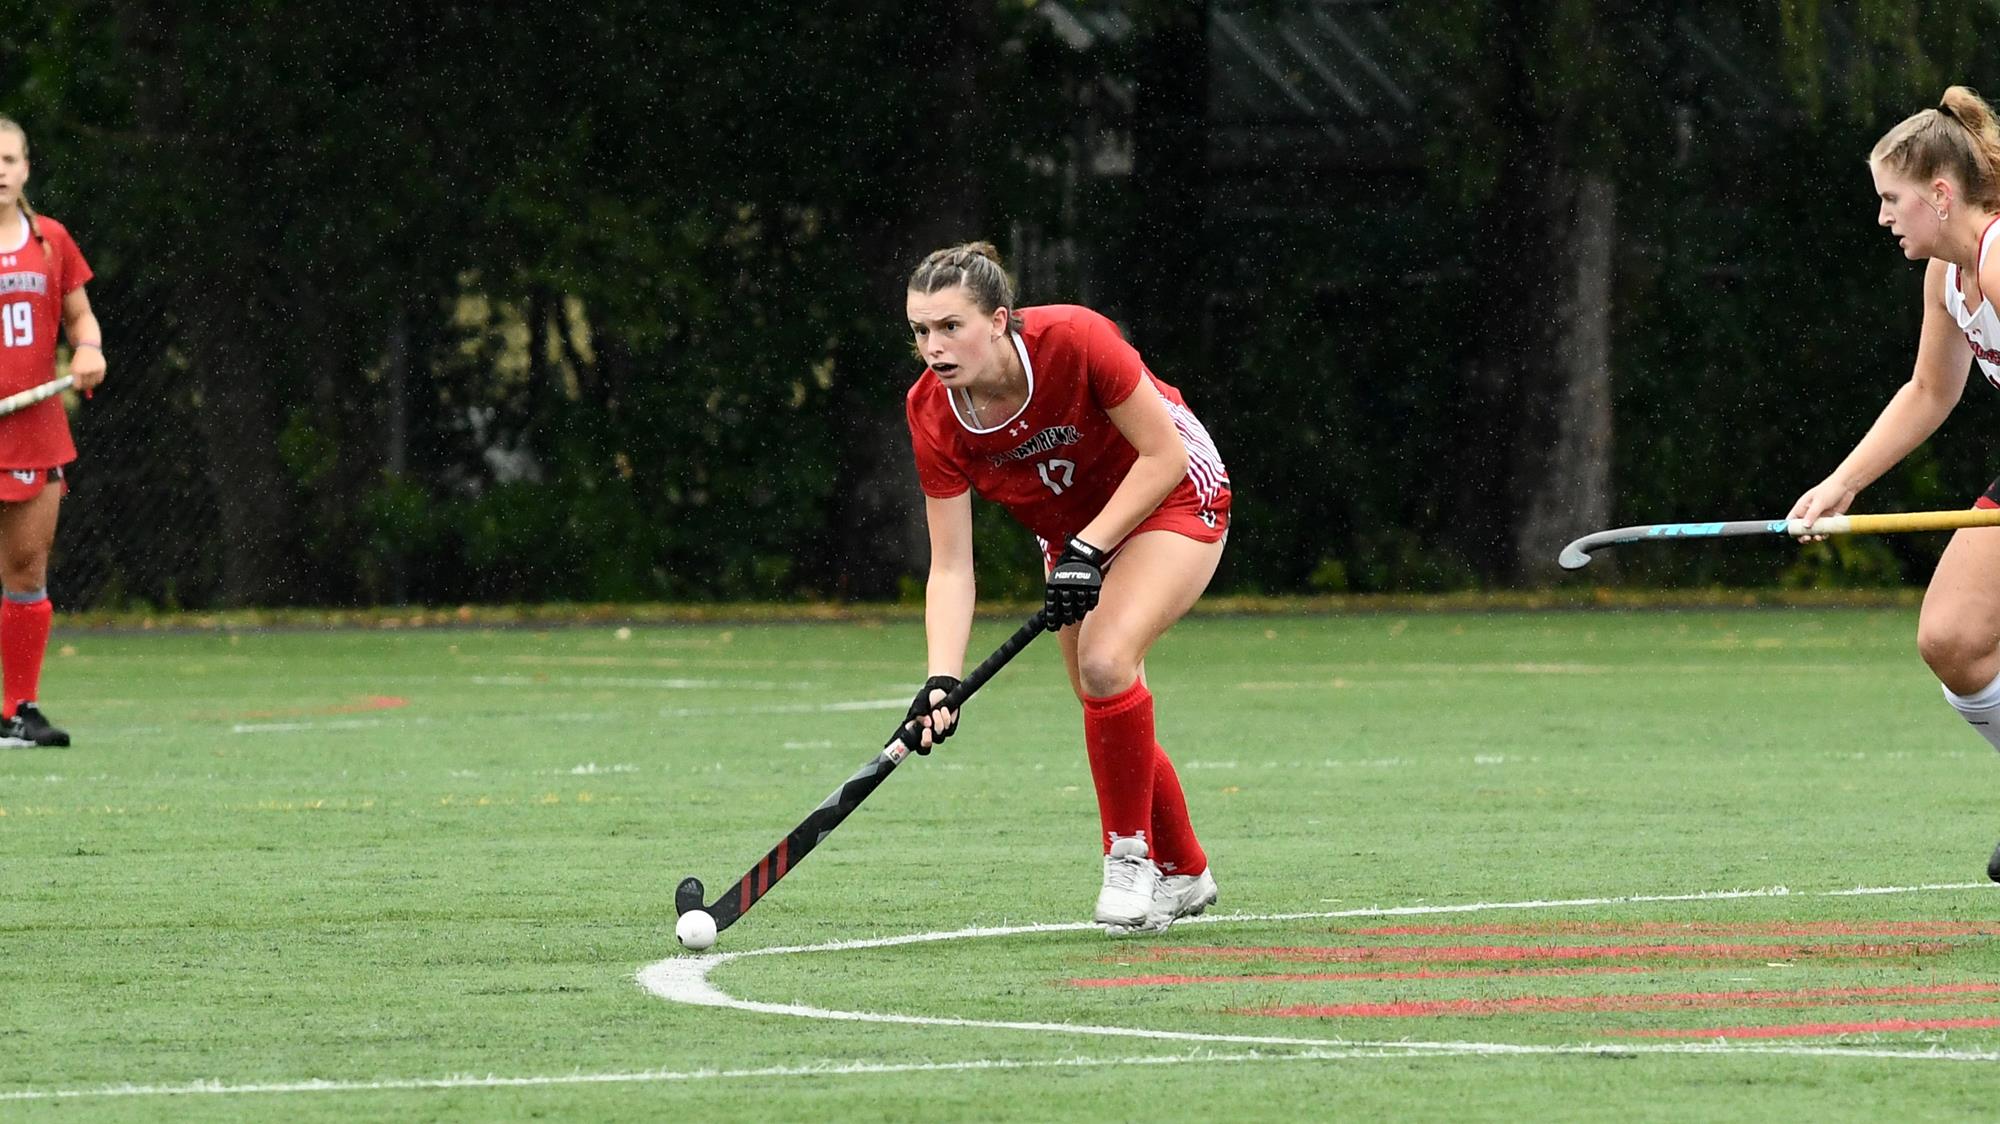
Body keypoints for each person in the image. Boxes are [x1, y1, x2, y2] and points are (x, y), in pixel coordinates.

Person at [899, 242, 1231, 934]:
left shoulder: (1075, 341)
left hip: (1169, 491)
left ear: (998, 320)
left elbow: (1164, 455)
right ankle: (1187, 872)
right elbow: (953, 566)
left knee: (1107, 661)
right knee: (1101, 690)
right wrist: (940, 680)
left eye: (950, 326)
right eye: (921, 331)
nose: (934, 347)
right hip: (1074, 534)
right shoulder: (932, 412)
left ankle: (1128, 857)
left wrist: (1089, 547)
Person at [1793, 86, 2000, 879]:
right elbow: (1929, 391)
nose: (1882, 216)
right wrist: (1843, 483)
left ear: (1941, 195)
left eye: (1892, 198)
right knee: (1951, 639)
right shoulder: (1947, 278)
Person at [0, 117, 105, 748]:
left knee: (26, 565)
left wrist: (88, 348)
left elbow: (79, 315)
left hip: (35, 427)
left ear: (26, 168)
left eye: (9, 159)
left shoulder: (51, 240)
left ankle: (19, 710)